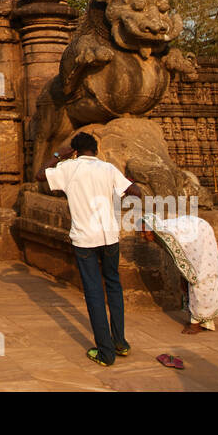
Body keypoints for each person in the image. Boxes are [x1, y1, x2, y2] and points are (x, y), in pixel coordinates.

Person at [36, 131, 142, 366]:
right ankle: (120, 342)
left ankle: (105, 352)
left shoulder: (69, 168)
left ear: (74, 151)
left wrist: (57, 155)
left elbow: (40, 175)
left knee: (94, 292)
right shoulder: (108, 168)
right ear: (96, 149)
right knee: (113, 286)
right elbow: (135, 191)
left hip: (85, 239)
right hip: (110, 236)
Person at [141, 213, 218, 334]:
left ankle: (196, 322)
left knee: (200, 277)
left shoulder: (168, 234)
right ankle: (199, 319)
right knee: (192, 278)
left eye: (145, 232)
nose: (142, 236)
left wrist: (186, 275)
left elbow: (183, 256)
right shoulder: (161, 235)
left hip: (201, 234)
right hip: (197, 234)